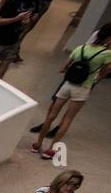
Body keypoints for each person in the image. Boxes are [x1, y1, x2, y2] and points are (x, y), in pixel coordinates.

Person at [30, 25, 111, 160]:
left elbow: (64, 67)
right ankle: (51, 149)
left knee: (51, 116)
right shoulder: (107, 54)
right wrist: (98, 78)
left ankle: (37, 144)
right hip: (83, 88)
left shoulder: (81, 48)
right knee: (68, 118)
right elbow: (106, 70)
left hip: (67, 85)